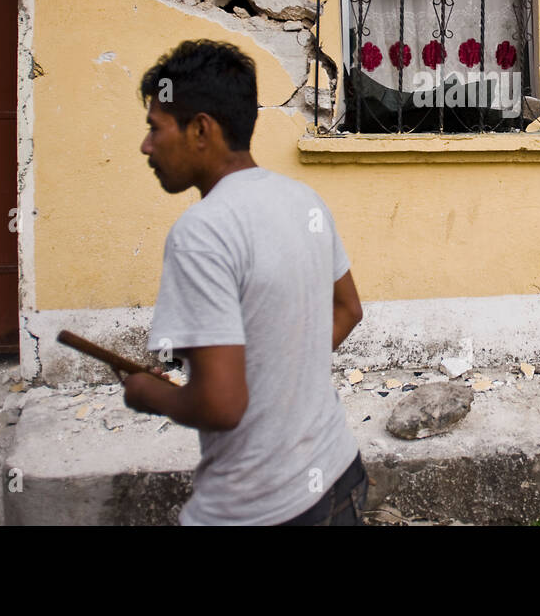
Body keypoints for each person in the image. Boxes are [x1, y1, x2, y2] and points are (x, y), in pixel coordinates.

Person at [121, 38, 367, 525]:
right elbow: (348, 310)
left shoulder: (201, 231)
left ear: (200, 130)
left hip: (261, 507)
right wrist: (283, 375)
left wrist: (148, 394)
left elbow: (221, 403)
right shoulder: (303, 200)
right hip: (338, 475)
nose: (147, 146)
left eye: (155, 127)